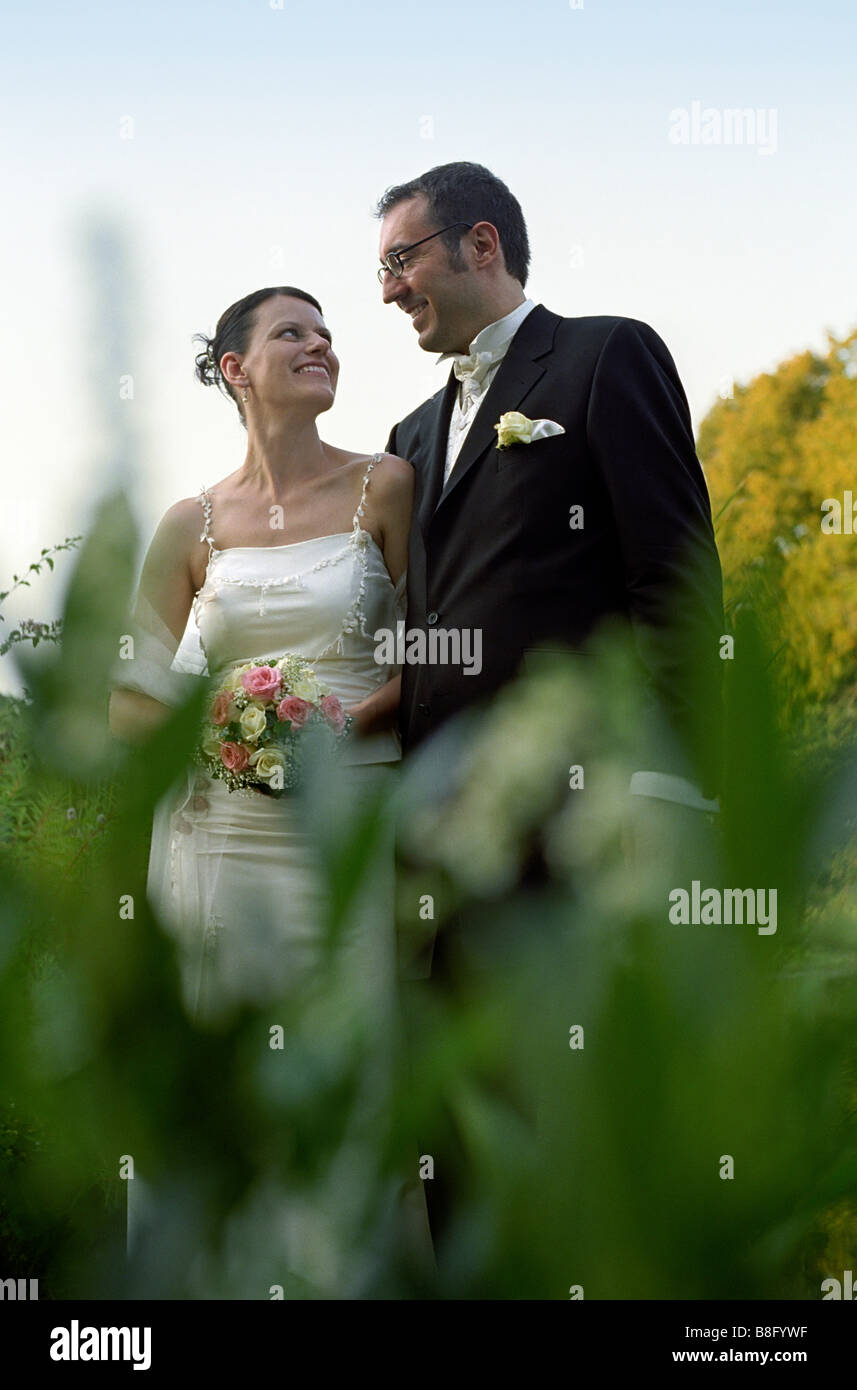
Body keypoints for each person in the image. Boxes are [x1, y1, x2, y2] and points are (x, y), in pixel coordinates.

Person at [375, 161, 726, 1249]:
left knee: (583, 1142)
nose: (388, 290)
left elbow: (671, 575)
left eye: (402, 260)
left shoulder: (603, 355)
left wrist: (669, 783)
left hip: (579, 823)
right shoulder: (404, 439)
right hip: (444, 843)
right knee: (462, 1142)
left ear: (480, 244)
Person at [109, 286, 432, 1295]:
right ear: (234, 368)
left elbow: (433, 654)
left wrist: (336, 729)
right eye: (291, 330)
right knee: (223, 1066)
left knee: (348, 1057)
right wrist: (218, 735)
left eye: (326, 330)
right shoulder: (190, 521)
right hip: (213, 834)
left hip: (346, 823)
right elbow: (129, 691)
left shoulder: (388, 485)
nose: (320, 342)